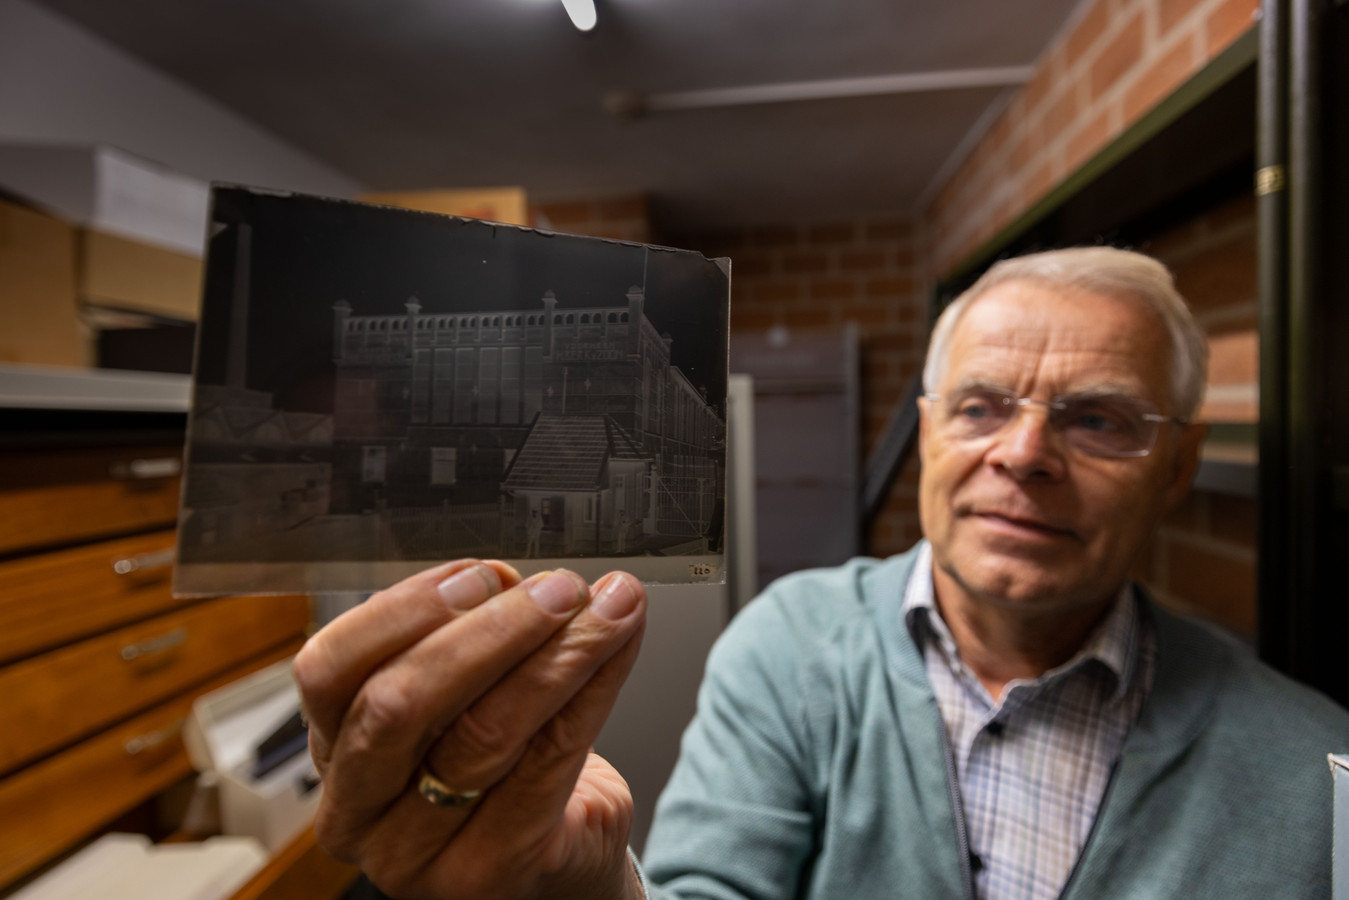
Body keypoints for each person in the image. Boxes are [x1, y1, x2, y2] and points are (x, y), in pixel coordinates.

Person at [294, 247, 1349, 900]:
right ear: (929, 433)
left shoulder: (1312, 765)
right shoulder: (790, 645)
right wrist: (592, 889)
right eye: (981, 406)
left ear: (1172, 470)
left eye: (1097, 419)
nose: (1022, 455)